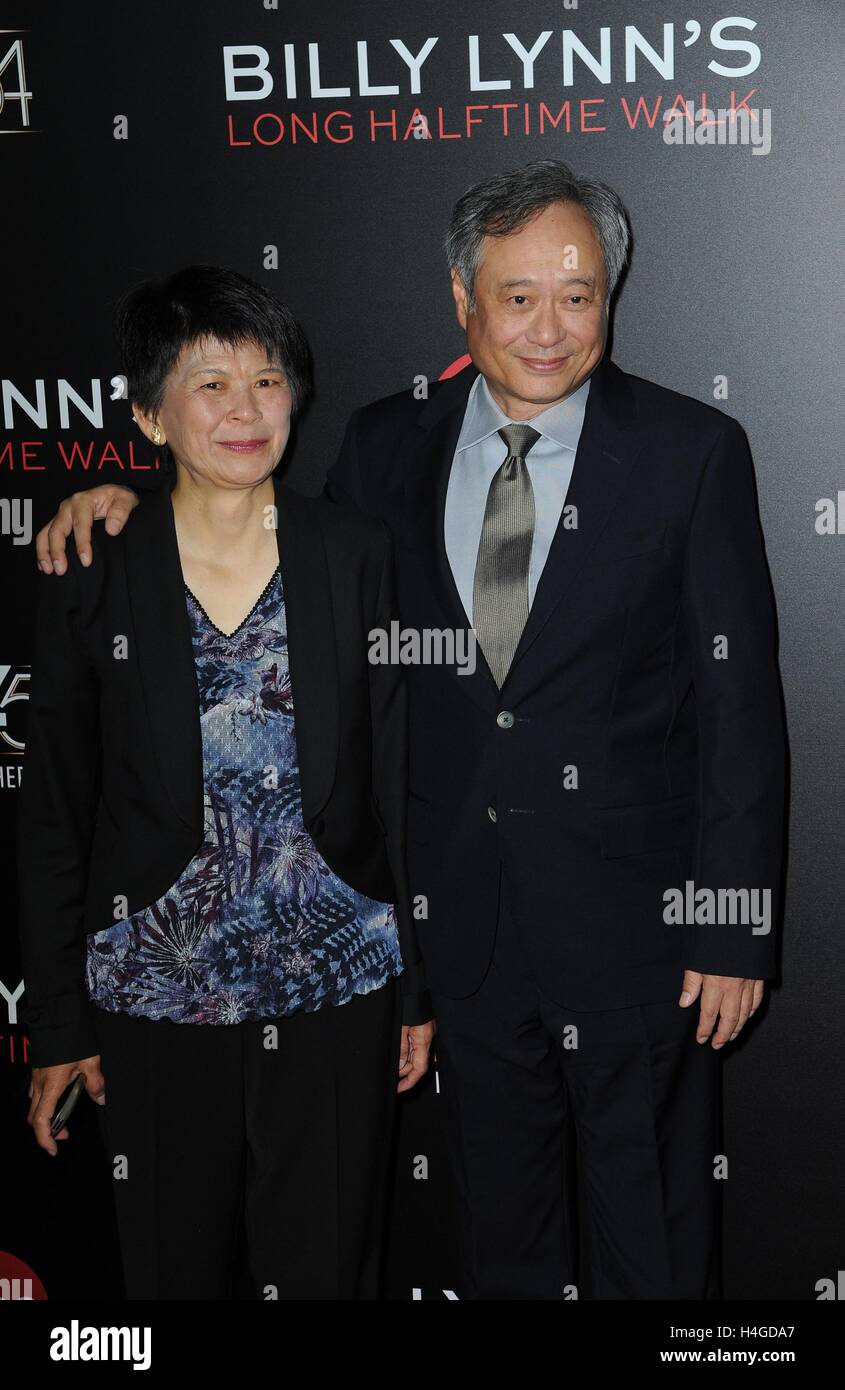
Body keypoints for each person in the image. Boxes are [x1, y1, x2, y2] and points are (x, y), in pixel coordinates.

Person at [35, 160, 787, 1300]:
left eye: (575, 295)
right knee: (500, 1240)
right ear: (459, 298)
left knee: (656, 1245)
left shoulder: (692, 451)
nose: (547, 327)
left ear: (610, 300)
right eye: (516, 293)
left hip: (638, 939)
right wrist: (127, 502)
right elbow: (257, 525)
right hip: (454, 933)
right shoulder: (389, 445)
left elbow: (740, 705)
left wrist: (731, 929)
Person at [18, 264, 434, 1301]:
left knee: (329, 1271)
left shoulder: (355, 555)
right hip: (156, 990)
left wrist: (417, 989)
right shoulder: (95, 565)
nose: (244, 409)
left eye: (266, 380)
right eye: (210, 384)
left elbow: (395, 779)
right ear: (150, 414)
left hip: (337, 983)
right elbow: (56, 811)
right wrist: (60, 1024)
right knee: (172, 1273)